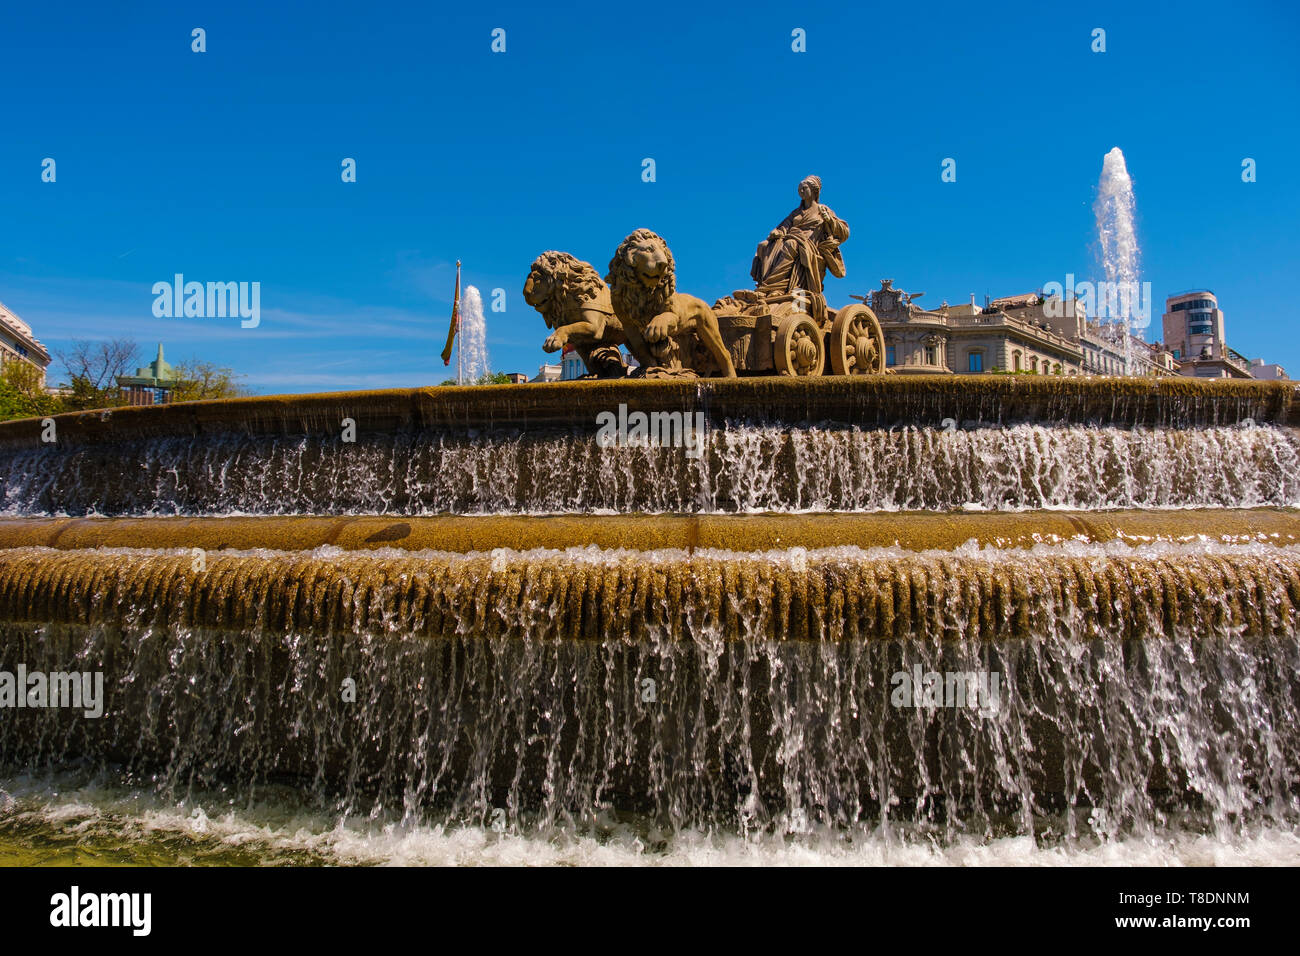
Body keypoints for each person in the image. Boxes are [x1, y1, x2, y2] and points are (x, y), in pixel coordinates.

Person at [750, 175, 849, 300]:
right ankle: (763, 286)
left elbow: (844, 232)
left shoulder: (822, 209)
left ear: (814, 190)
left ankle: (774, 287)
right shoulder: (796, 212)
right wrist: (776, 232)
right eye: (799, 188)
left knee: (791, 244)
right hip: (792, 239)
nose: (801, 191)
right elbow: (783, 227)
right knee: (763, 245)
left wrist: (829, 220)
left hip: (810, 245)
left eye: (804, 188)